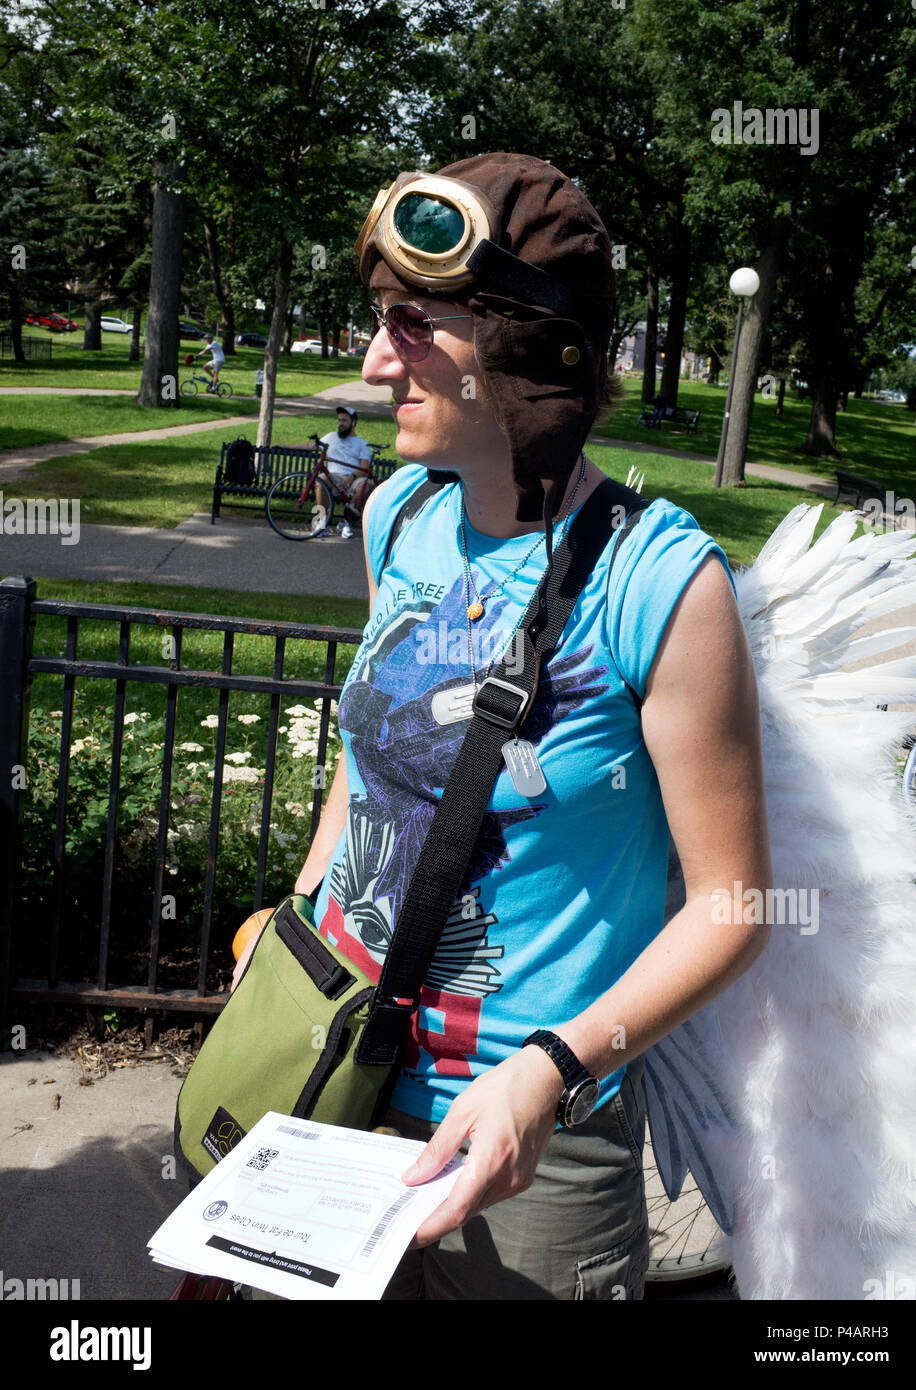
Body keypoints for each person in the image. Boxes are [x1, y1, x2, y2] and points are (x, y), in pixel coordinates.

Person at [238, 153, 772, 1300]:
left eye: (411, 325)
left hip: (533, 1152)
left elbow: (733, 907)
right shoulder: (397, 517)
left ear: (527, 345)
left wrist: (552, 1067)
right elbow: (372, 769)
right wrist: (294, 922)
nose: (375, 362)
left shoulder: (661, 581)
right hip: (334, 1076)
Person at [314, 406, 376, 539]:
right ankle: (322, 523)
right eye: (339, 420)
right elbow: (310, 446)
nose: (340, 423)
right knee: (321, 480)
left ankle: (345, 522)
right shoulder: (331, 437)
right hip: (333, 477)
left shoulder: (362, 444)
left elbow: (364, 467)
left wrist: (352, 476)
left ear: (353, 423)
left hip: (354, 478)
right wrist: (282, 446)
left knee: (365, 486)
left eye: (344, 420)